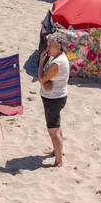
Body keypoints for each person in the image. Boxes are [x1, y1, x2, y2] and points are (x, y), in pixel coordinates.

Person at [38, 34, 70, 167]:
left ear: (58, 47)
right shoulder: (55, 56)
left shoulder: (57, 62)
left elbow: (41, 78)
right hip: (55, 96)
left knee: (53, 130)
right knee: (56, 127)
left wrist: (40, 62)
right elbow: (46, 78)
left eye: (50, 45)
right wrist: (46, 82)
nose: (47, 48)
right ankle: (57, 151)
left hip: (54, 99)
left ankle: (58, 161)